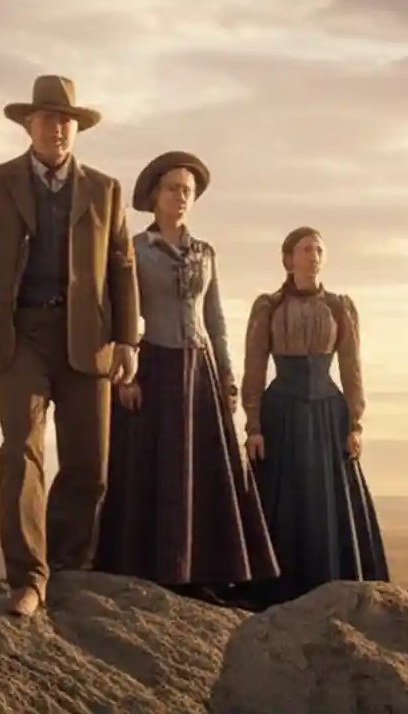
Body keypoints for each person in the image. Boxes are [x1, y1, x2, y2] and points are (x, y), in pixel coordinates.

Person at [0, 74, 141, 617]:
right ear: (28, 125)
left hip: (89, 339)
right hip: (21, 335)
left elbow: (122, 267)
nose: (56, 128)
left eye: (66, 121)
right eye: (46, 119)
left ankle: (66, 565)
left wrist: (128, 338)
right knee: (22, 452)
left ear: (76, 128)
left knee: (90, 464)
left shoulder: (105, 189)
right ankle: (27, 578)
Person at [94, 152, 279, 603]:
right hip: (151, 366)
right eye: (172, 188)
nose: (180, 196)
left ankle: (203, 572)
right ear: (154, 196)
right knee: (152, 469)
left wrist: (227, 378)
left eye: (187, 190)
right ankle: (151, 569)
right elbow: (119, 314)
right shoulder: (133, 251)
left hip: (200, 369)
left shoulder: (206, 252)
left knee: (204, 471)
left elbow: (215, 320)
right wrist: (123, 378)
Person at [240, 226, 390, 606]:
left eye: (319, 249)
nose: (314, 256)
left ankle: (334, 583)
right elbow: (254, 369)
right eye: (306, 249)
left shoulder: (339, 306)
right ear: (288, 259)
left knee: (330, 502)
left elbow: (352, 369)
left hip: (327, 413)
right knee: (281, 500)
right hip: (281, 414)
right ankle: (274, 587)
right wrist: (253, 426)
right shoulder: (268, 306)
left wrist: (355, 423)